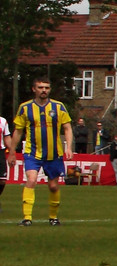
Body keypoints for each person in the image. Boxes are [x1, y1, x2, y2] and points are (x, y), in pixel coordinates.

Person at [11, 78, 71, 226]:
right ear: (34, 89)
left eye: (47, 87)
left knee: (53, 186)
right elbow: (18, 131)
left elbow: (67, 128)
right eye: (40, 87)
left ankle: (53, 217)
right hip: (32, 152)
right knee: (31, 180)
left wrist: (68, 147)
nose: (44, 90)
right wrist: (12, 151)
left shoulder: (59, 107)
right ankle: (27, 218)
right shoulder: (25, 108)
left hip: (54, 153)